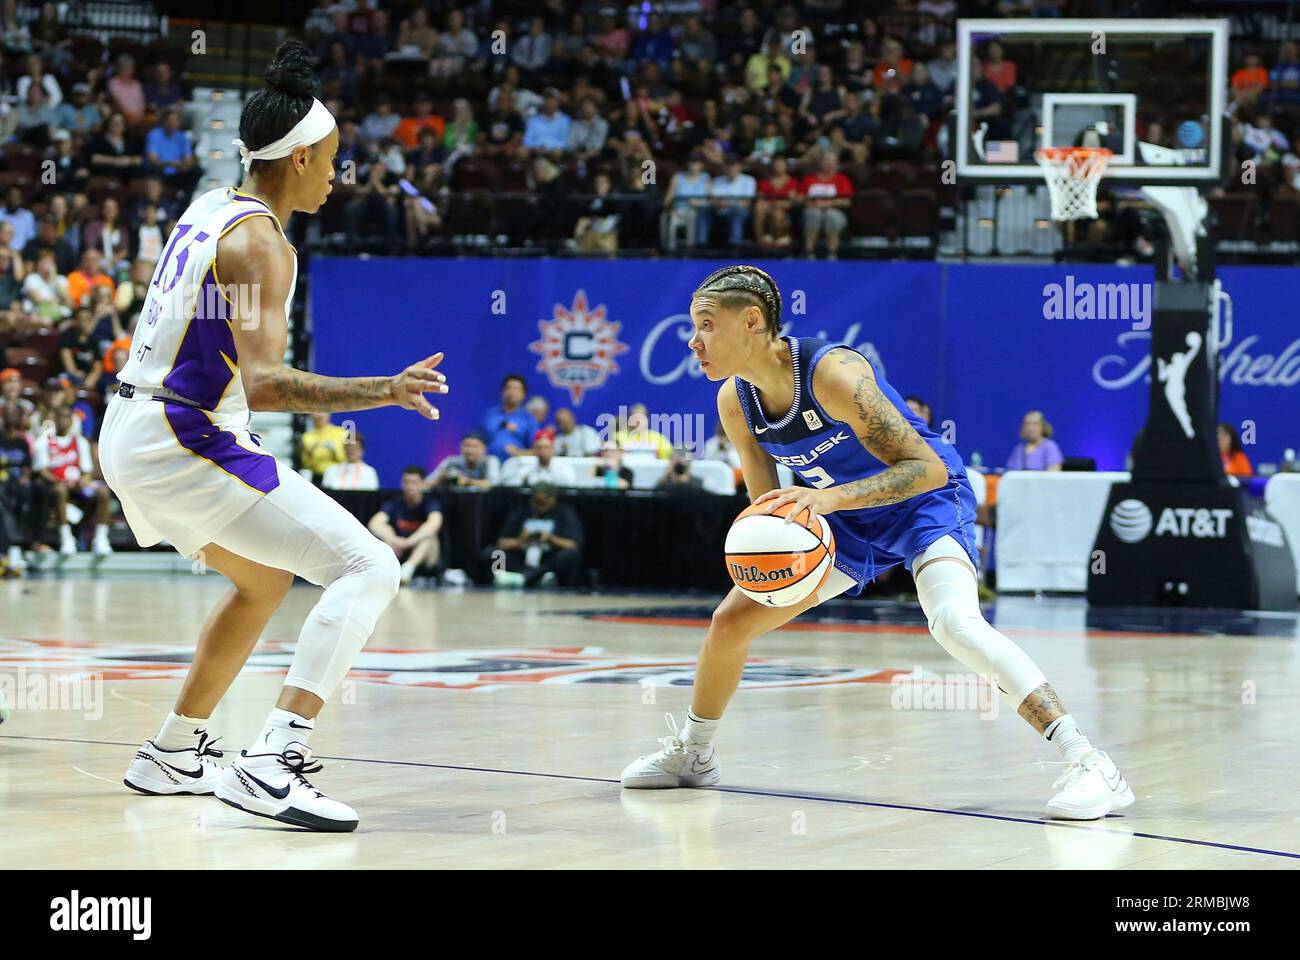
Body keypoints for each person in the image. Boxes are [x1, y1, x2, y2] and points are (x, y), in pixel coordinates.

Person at [619, 265, 1132, 820]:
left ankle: (1090, 762)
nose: (694, 340)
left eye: (705, 324)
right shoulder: (733, 402)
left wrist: (829, 500)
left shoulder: (833, 373)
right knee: (731, 621)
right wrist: (767, 551)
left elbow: (927, 469)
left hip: (926, 502)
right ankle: (695, 755)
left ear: (751, 321)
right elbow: (764, 505)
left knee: (955, 624)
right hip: (843, 521)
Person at [98, 42, 450, 832]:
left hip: (137, 425)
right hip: (182, 434)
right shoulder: (261, 245)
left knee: (262, 582)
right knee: (369, 566)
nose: (338, 170)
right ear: (295, 160)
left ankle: (172, 753)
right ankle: (271, 759)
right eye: (330, 158)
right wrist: (383, 391)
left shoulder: (210, 205)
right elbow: (266, 382)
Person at [482, 482, 583, 588]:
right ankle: (526, 578)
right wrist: (521, 540)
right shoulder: (520, 513)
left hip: (548, 562)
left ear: (553, 500)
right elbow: (501, 544)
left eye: (543, 503)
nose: (539, 507)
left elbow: (573, 545)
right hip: (520, 561)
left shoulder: (564, 515)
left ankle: (526, 578)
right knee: (492, 553)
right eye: (536, 502)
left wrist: (551, 539)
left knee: (569, 556)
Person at [369, 466, 442, 584]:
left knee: (429, 536)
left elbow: (434, 524)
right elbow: (374, 523)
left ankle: (408, 568)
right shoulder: (395, 503)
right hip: (399, 550)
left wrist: (409, 542)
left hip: (423, 554)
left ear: (422, 484)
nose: (410, 486)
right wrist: (394, 539)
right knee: (385, 528)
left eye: (414, 482)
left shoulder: (430, 503)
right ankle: (391, 569)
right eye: (406, 482)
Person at [480, 373, 539, 461]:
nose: (511, 392)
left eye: (516, 389)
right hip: (488, 463)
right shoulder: (489, 415)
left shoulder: (529, 419)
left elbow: (538, 449)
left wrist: (520, 453)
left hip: (516, 465)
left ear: (524, 395)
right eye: (508, 388)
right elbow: (477, 439)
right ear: (502, 392)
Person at [426, 431, 499, 490]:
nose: (470, 451)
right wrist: (441, 478)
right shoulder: (451, 461)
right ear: (460, 447)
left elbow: (495, 485)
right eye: (466, 446)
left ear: (484, 449)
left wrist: (468, 481)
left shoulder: (490, 461)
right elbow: (426, 484)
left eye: (475, 447)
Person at [500, 433, 574, 487]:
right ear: (534, 449)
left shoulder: (564, 468)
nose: (543, 451)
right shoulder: (527, 469)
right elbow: (512, 484)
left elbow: (569, 487)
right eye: (539, 447)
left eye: (546, 447)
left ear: (553, 449)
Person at [300, 411, 348, 483]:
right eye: (316, 412)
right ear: (310, 415)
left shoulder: (341, 432)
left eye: (323, 411)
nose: (319, 415)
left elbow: (346, 459)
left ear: (329, 413)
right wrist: (311, 451)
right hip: (316, 477)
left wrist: (334, 451)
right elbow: (306, 464)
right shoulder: (306, 436)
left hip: (337, 476)